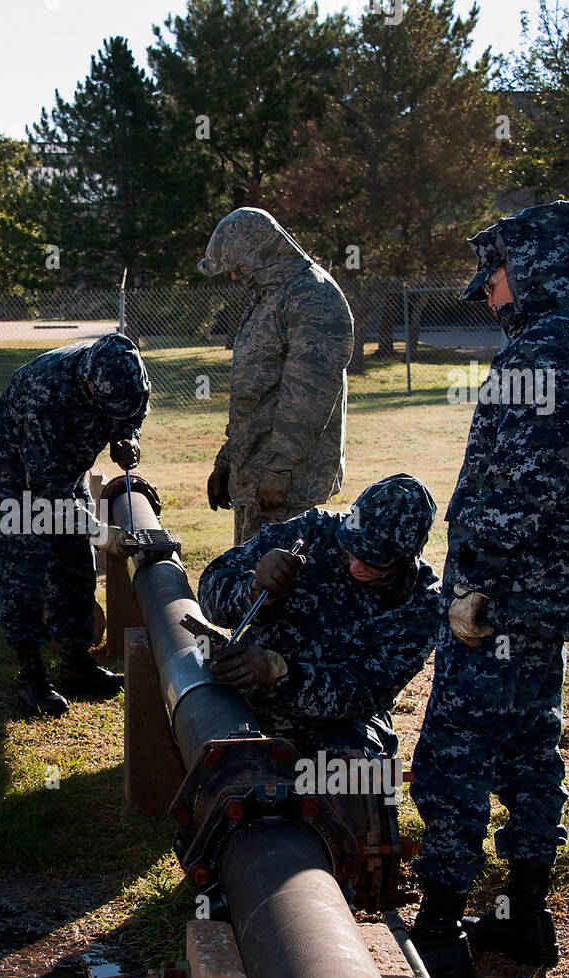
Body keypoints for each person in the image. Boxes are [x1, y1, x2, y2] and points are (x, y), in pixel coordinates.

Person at [408, 200, 569, 978]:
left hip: (499, 603)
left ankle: (437, 932)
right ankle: (526, 915)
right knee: (533, 748)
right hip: (550, 601)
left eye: (495, 275)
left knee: (456, 757)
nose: (489, 294)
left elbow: (519, 488)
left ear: (531, 268)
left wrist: (478, 585)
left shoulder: (540, 349)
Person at [197, 474, 441, 769]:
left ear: (406, 557)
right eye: (352, 550)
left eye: (372, 561)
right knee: (226, 774)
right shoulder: (313, 532)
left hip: (343, 724)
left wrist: (277, 672)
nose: (354, 566)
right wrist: (253, 591)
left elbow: (365, 692)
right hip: (251, 700)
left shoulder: (422, 603)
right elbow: (211, 589)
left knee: (358, 784)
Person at [0, 333, 147, 717]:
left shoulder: (126, 371)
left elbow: (132, 412)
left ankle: (77, 665)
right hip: (19, 476)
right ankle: (31, 676)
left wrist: (127, 438)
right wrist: (104, 534)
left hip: (67, 470)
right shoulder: (46, 391)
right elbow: (47, 491)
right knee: (24, 567)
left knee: (74, 563)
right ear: (89, 385)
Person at [197, 207, 353, 546]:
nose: (235, 278)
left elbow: (310, 393)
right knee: (246, 578)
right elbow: (257, 392)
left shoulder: (312, 296)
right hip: (256, 473)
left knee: (274, 586)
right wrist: (229, 459)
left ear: (258, 253)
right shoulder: (269, 296)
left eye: (237, 267)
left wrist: (281, 467)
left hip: (287, 484)